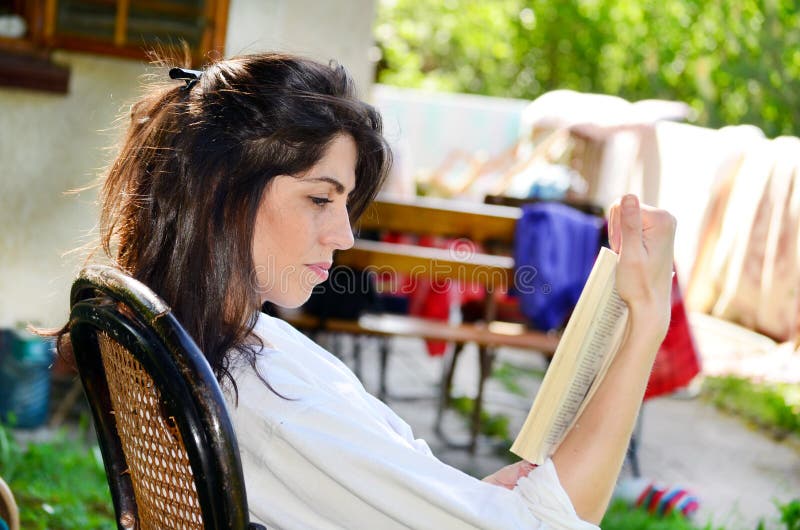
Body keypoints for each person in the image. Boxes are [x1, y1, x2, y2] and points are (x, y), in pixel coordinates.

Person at [59, 52, 676, 529]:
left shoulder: (210, 340)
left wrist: (461, 499)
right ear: (223, 193)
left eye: (346, 203)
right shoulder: (278, 405)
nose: (345, 234)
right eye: (320, 198)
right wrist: (645, 320)